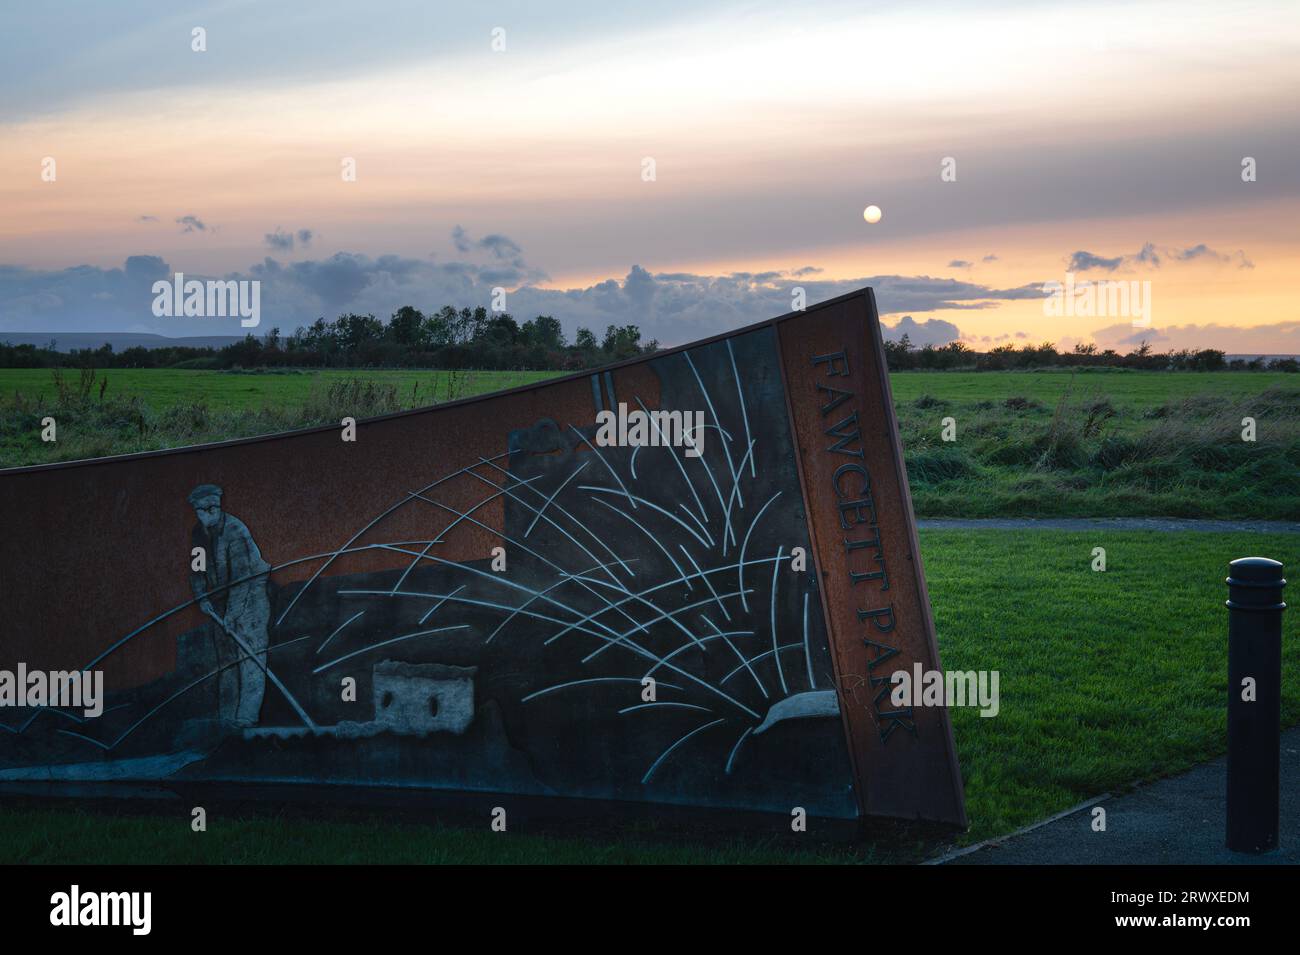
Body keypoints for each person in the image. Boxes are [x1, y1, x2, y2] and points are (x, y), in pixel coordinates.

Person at [188, 484, 271, 727]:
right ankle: (226, 718)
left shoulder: (235, 530)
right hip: (218, 599)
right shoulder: (198, 534)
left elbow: (242, 579)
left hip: (251, 595)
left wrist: (232, 616)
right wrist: (201, 596)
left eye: (211, 508)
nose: (207, 513)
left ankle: (247, 717)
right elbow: (197, 568)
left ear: (218, 506)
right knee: (226, 660)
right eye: (201, 510)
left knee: (251, 654)